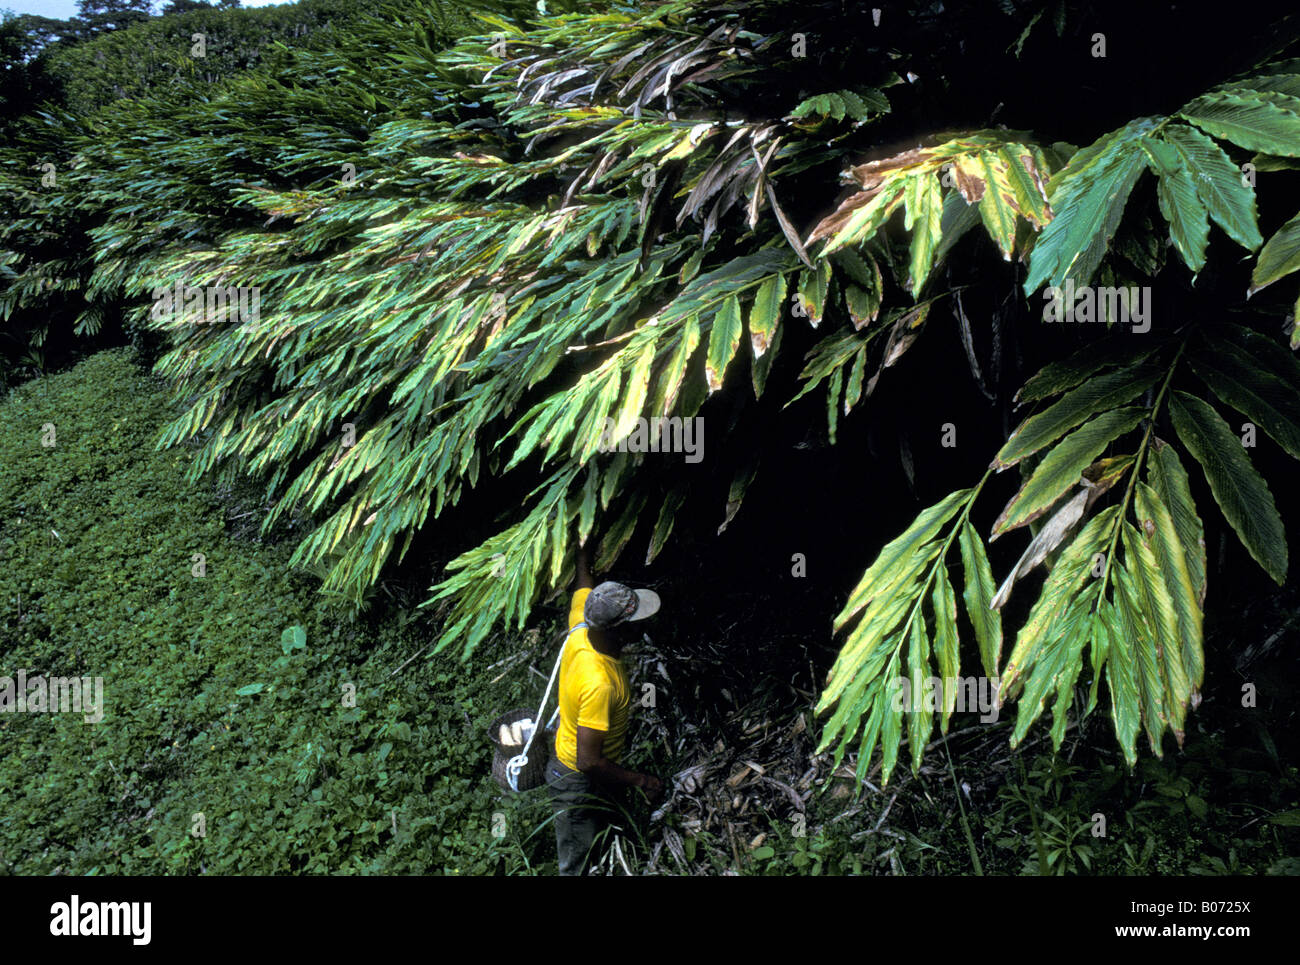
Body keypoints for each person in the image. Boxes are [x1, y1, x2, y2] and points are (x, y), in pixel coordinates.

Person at [546, 542, 664, 875]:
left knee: (598, 835)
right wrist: (642, 780)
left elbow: (583, 580)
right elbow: (588, 761)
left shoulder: (582, 623)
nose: (642, 625)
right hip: (576, 777)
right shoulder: (600, 683)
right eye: (635, 620)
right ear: (619, 630)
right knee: (576, 865)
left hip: (589, 765)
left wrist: (584, 541)